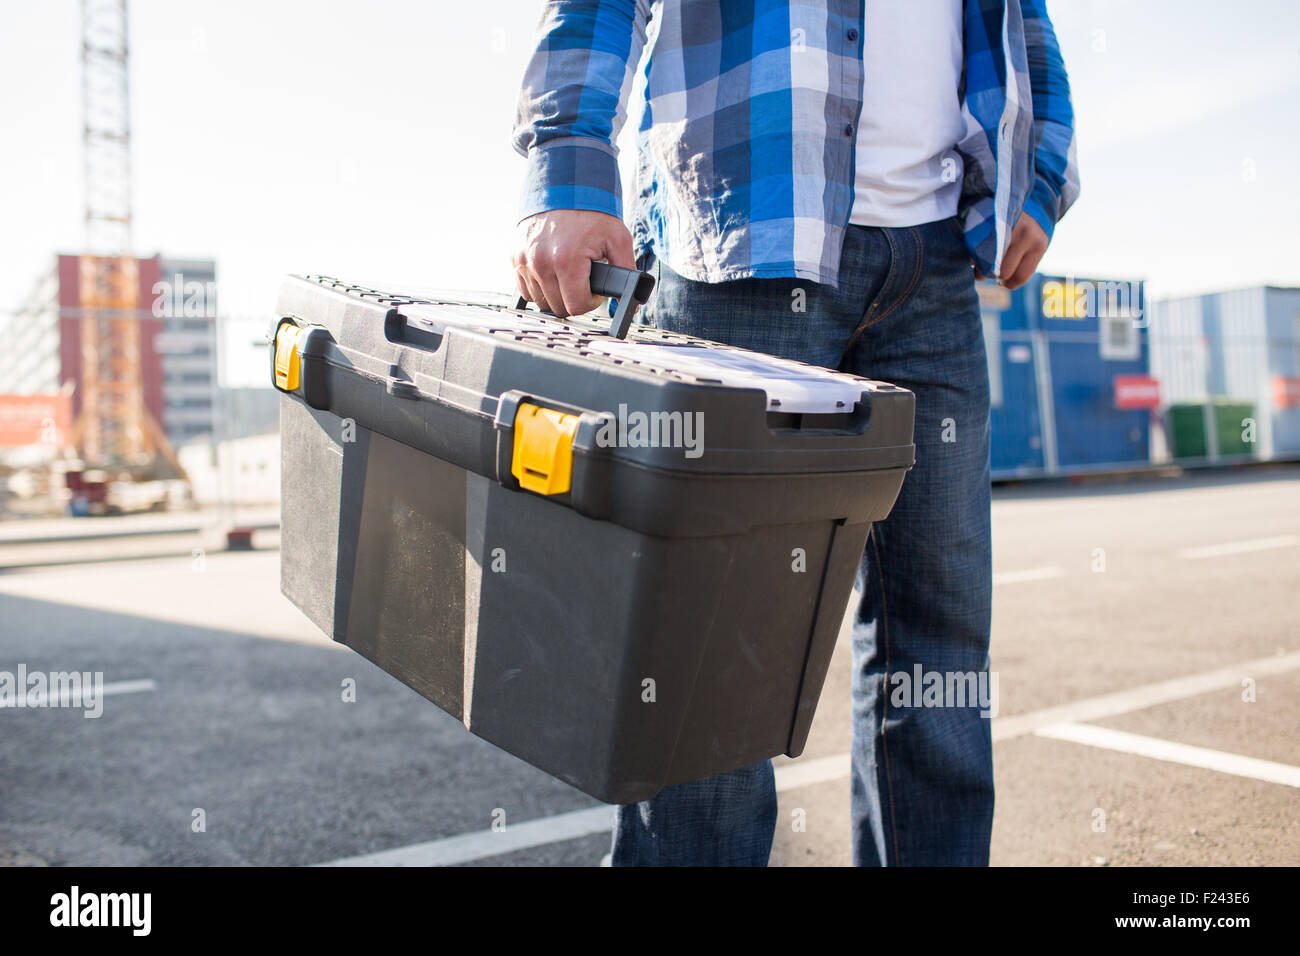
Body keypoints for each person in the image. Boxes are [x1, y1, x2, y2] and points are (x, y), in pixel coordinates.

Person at [512, 0, 1078, 866]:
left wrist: (1036, 174)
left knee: (942, 640)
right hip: (742, 237)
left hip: (932, 267)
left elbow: (1021, 17)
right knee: (715, 649)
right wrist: (567, 167)